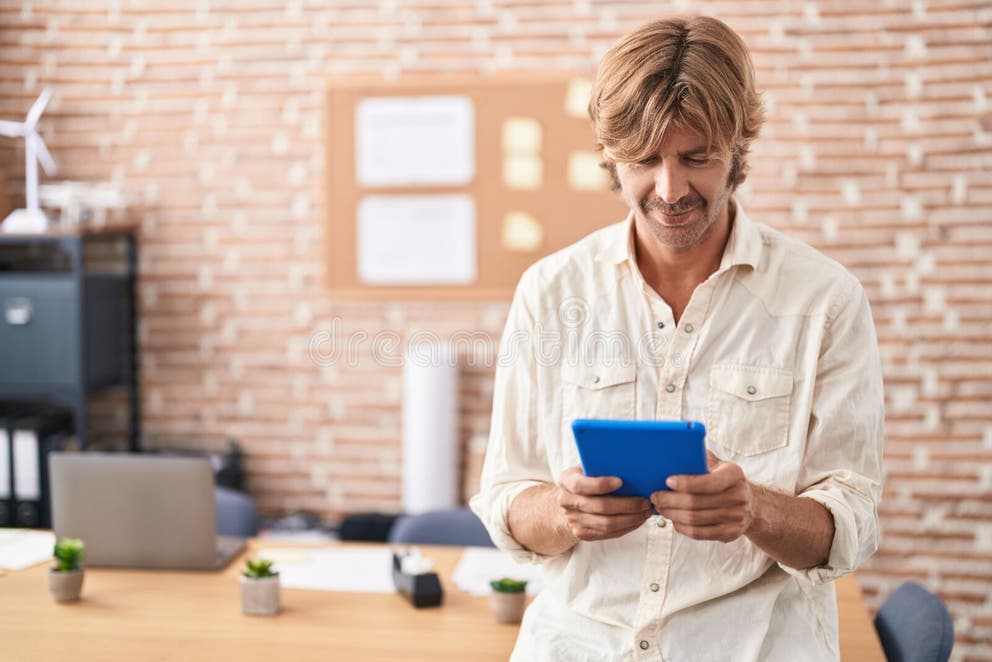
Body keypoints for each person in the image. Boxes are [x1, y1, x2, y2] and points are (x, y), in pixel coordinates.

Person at [470, 15, 884, 662]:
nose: (670, 190)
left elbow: (850, 526)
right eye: (644, 160)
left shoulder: (824, 301)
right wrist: (564, 512)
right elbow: (506, 501)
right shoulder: (550, 294)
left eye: (696, 158)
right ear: (611, 156)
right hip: (578, 644)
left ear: (739, 148)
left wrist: (755, 511)